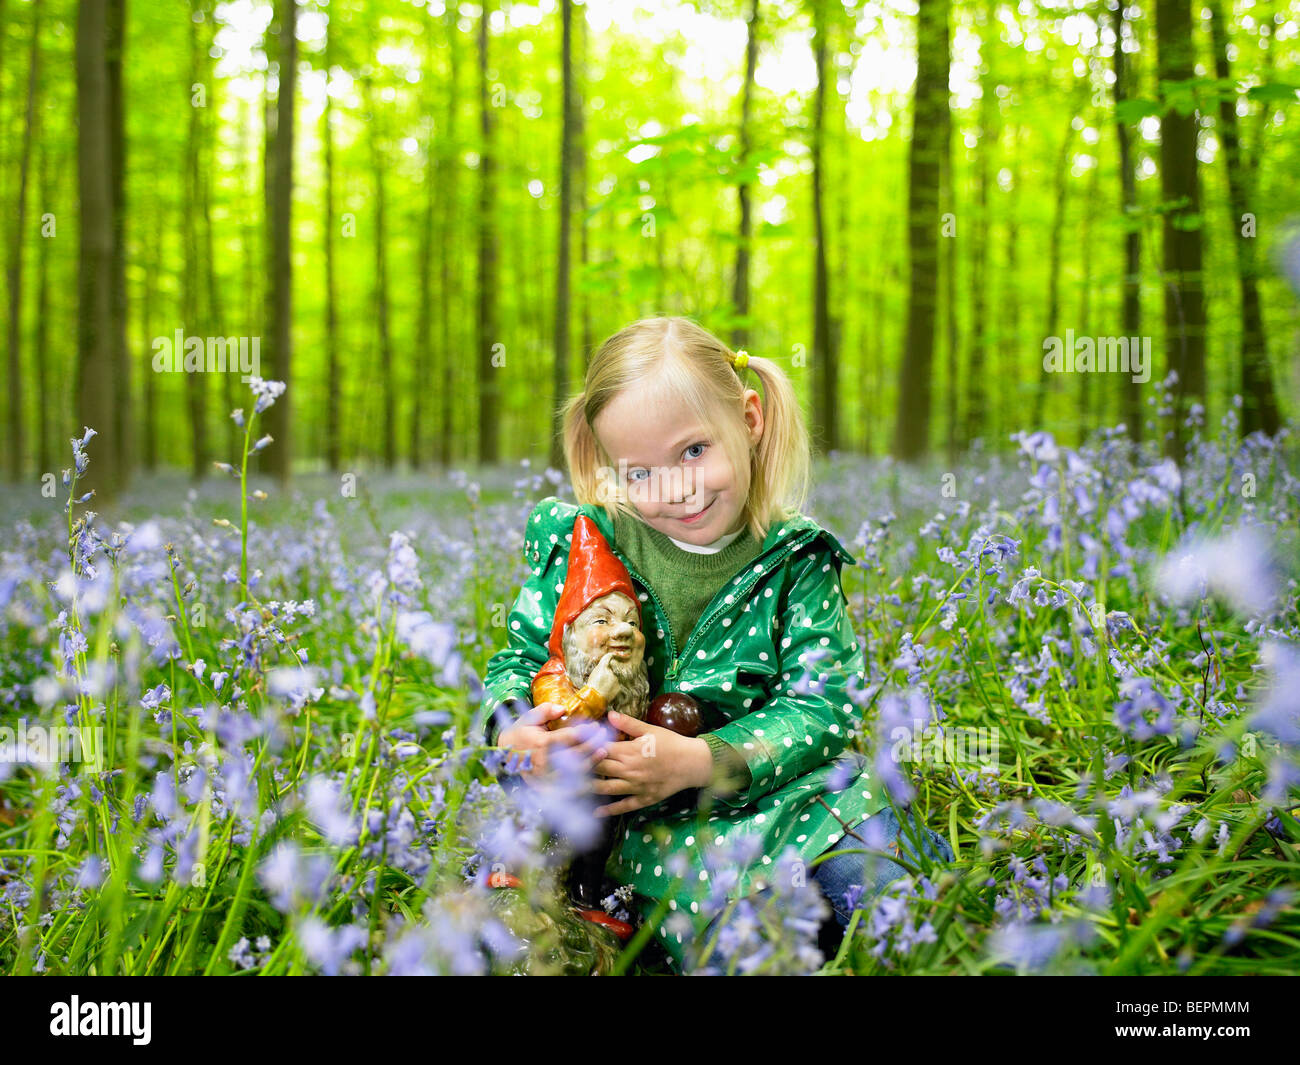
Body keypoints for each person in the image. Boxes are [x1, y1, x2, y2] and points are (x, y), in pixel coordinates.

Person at [481, 315, 952, 972]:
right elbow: (520, 660)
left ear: (750, 419)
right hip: (666, 842)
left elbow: (827, 706)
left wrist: (704, 760)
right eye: (640, 472)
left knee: (892, 896)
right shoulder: (587, 543)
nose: (677, 489)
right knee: (743, 950)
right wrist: (514, 730)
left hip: (805, 803)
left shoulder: (796, 559)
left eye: (694, 451)